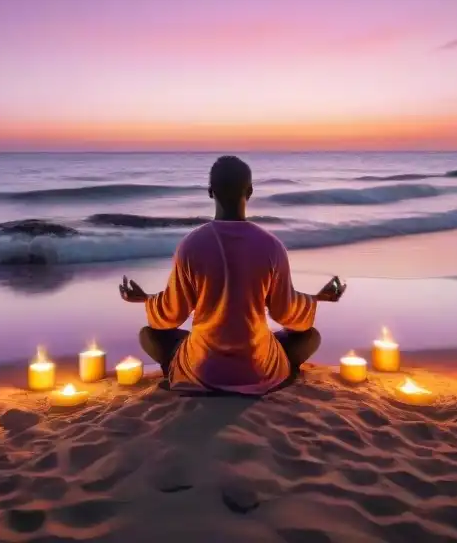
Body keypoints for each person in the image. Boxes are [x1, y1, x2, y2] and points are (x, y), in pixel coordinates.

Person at [118, 155, 345, 394]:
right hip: (257, 367)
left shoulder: (191, 245)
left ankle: (184, 375)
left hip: (203, 369)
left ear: (210, 192)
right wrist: (317, 299)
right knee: (310, 337)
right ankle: (277, 374)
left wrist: (146, 300)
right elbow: (285, 312)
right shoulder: (271, 246)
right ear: (250, 191)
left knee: (149, 335)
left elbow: (172, 314)